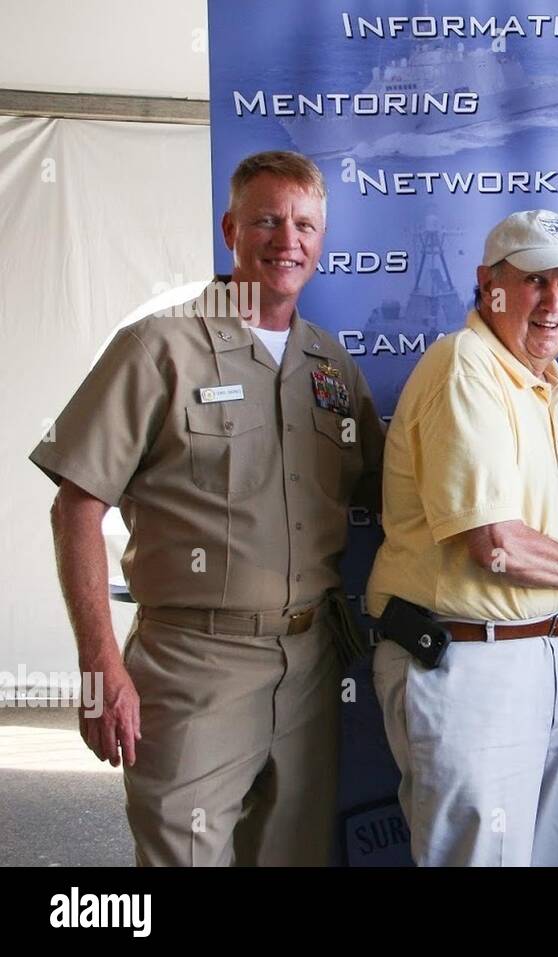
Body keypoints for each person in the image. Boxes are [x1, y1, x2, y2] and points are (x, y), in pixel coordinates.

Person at [30, 150, 385, 865]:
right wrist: (100, 664)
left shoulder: (330, 367)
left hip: (310, 665)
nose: (288, 239)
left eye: (305, 224)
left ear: (322, 241)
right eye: (267, 221)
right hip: (193, 662)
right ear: (231, 228)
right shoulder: (158, 348)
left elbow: (385, 494)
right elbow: (75, 505)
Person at [366, 209, 558, 866]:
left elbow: (542, 547)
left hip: (547, 657)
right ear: (488, 284)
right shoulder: (464, 365)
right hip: (471, 664)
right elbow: (497, 543)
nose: (555, 301)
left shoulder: (545, 383)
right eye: (535, 281)